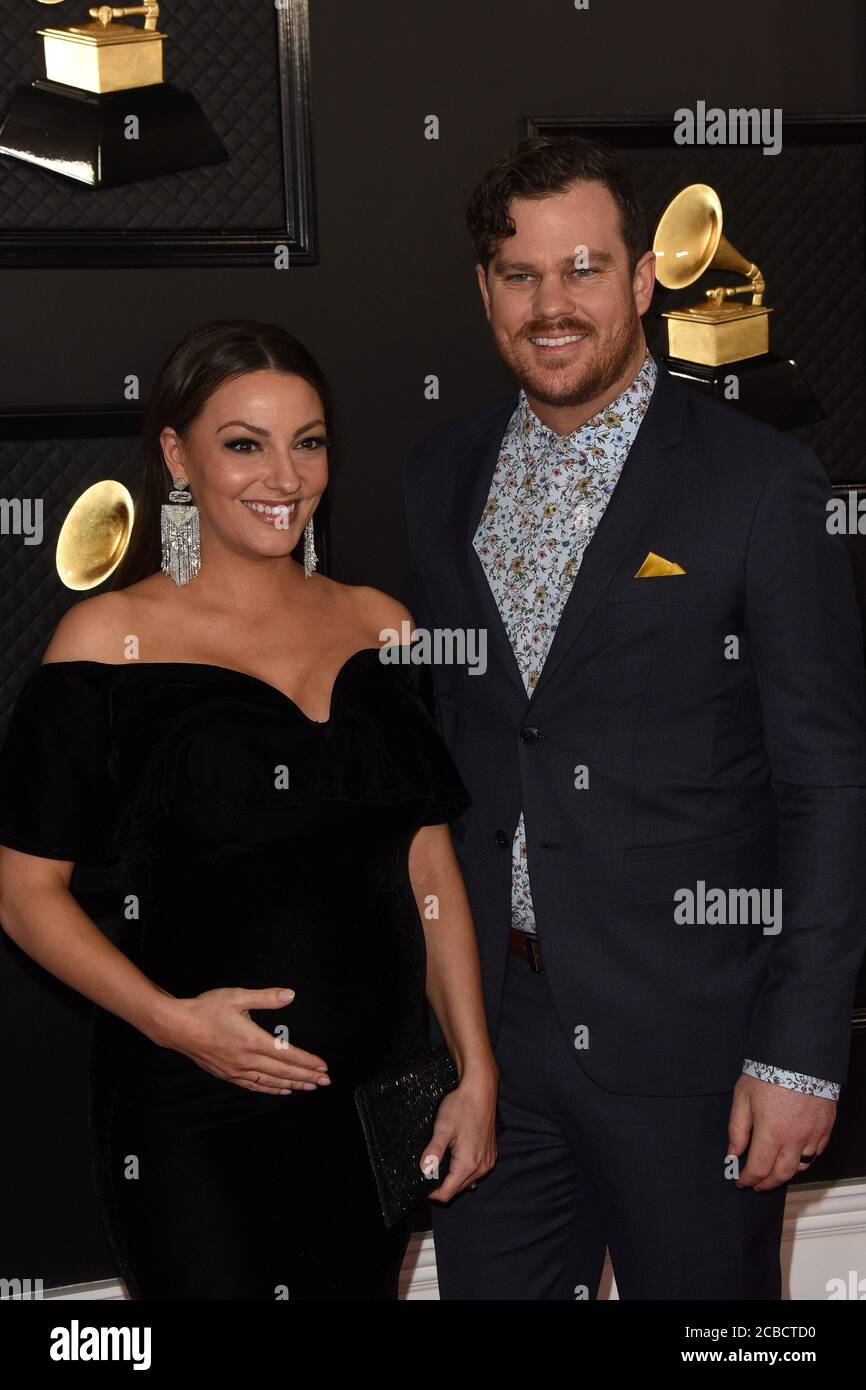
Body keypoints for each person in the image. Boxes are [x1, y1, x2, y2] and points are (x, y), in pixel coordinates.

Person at [403, 135, 866, 1300]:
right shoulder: (438, 474)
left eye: (584, 268)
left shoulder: (759, 484)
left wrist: (800, 1049)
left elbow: (823, 781)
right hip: (491, 1039)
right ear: (484, 291)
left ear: (643, 279)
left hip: (694, 1044)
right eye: (520, 275)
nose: (551, 304)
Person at [0, 319, 498, 1301]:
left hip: (376, 1097)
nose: (283, 475)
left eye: (306, 441)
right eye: (244, 443)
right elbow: (24, 894)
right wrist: (173, 1023)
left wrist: (473, 1070)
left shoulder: (379, 624)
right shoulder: (108, 637)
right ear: (178, 456)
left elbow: (427, 870)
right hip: (194, 1111)